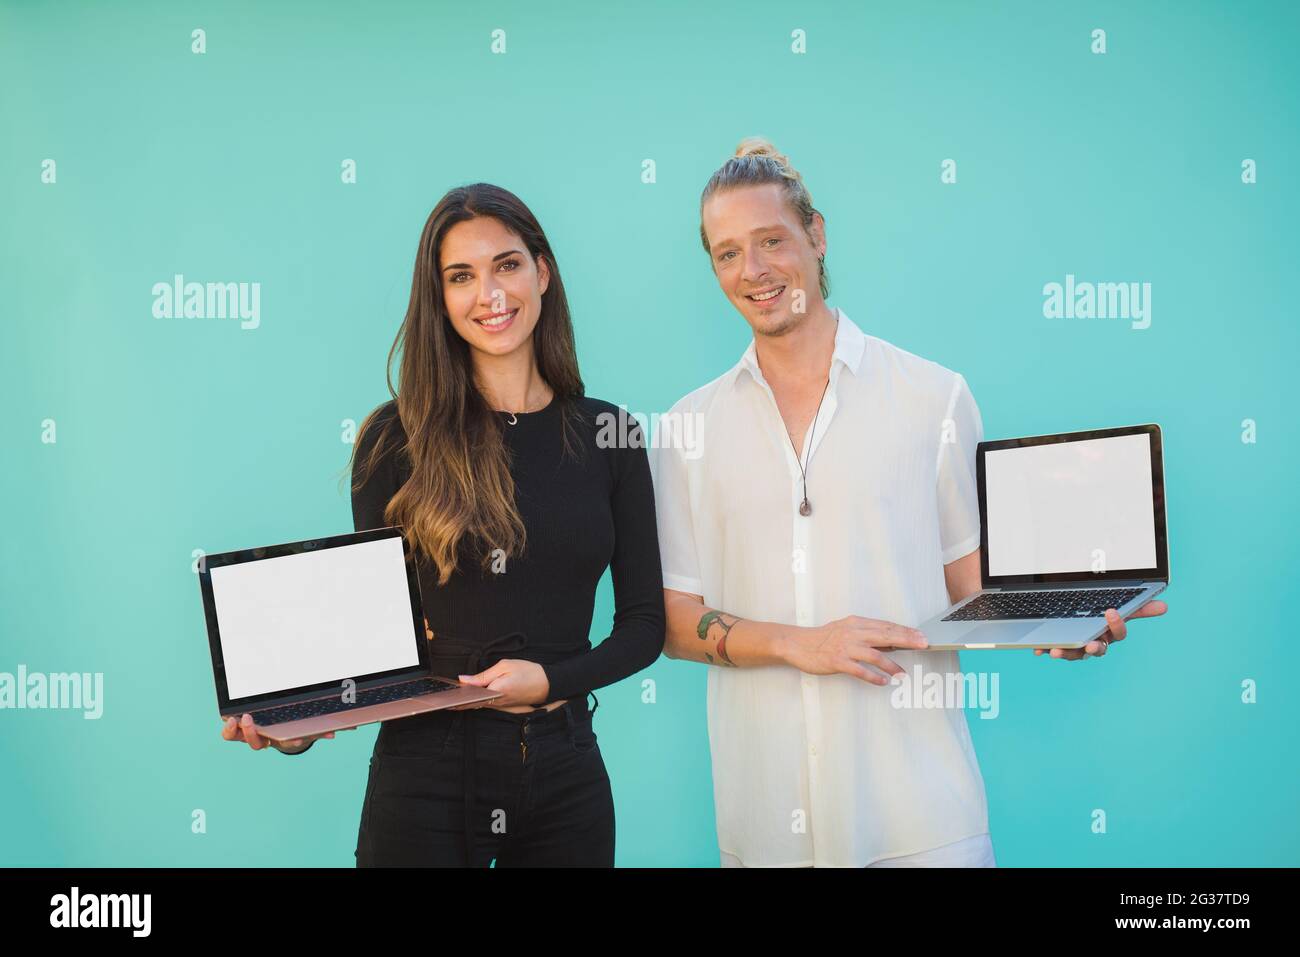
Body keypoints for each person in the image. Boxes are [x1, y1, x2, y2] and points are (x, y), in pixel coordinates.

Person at [648, 138, 1168, 868]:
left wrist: (1061, 618)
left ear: (817, 234)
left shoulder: (935, 397)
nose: (754, 271)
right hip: (766, 828)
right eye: (728, 252)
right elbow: (671, 621)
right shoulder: (684, 430)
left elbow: (973, 590)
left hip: (924, 820)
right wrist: (805, 644)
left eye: (772, 240)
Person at [223, 183, 665, 867]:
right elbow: (371, 651)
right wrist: (295, 725)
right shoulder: (394, 439)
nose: (489, 293)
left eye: (507, 265)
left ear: (542, 272)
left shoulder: (609, 433)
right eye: (461, 276)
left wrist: (549, 681)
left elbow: (644, 626)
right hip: (426, 769)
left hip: (568, 768)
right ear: (441, 296)